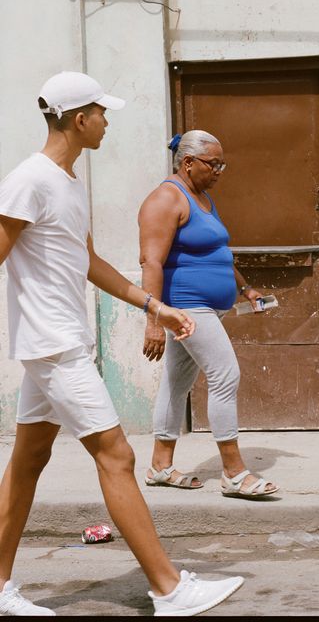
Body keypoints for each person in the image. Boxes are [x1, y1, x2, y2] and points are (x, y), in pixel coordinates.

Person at [0, 71, 243, 616]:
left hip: (60, 342)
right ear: (78, 118)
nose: (108, 122)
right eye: (101, 112)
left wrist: (152, 305)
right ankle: (169, 588)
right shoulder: (29, 180)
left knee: (26, 462)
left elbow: (86, 262)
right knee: (117, 455)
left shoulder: (68, 182)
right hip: (54, 344)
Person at [138, 130, 279, 500]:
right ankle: (233, 472)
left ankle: (160, 466)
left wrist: (245, 287)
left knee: (176, 382)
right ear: (188, 163)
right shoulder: (166, 199)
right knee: (224, 374)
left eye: (221, 164)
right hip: (187, 307)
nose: (219, 171)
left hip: (206, 306)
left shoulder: (202, 198)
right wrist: (153, 320)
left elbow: (218, 251)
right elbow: (150, 261)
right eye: (213, 164)